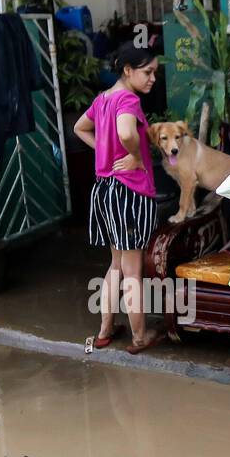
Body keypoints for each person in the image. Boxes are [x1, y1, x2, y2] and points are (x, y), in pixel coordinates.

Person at [73, 44, 162, 355]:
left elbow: (79, 127)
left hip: (106, 191)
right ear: (128, 70)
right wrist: (135, 156)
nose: (152, 78)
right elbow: (126, 133)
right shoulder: (126, 98)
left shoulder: (103, 99)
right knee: (133, 269)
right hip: (129, 191)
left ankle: (105, 330)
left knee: (115, 265)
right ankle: (139, 337)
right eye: (147, 72)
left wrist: (103, 150)